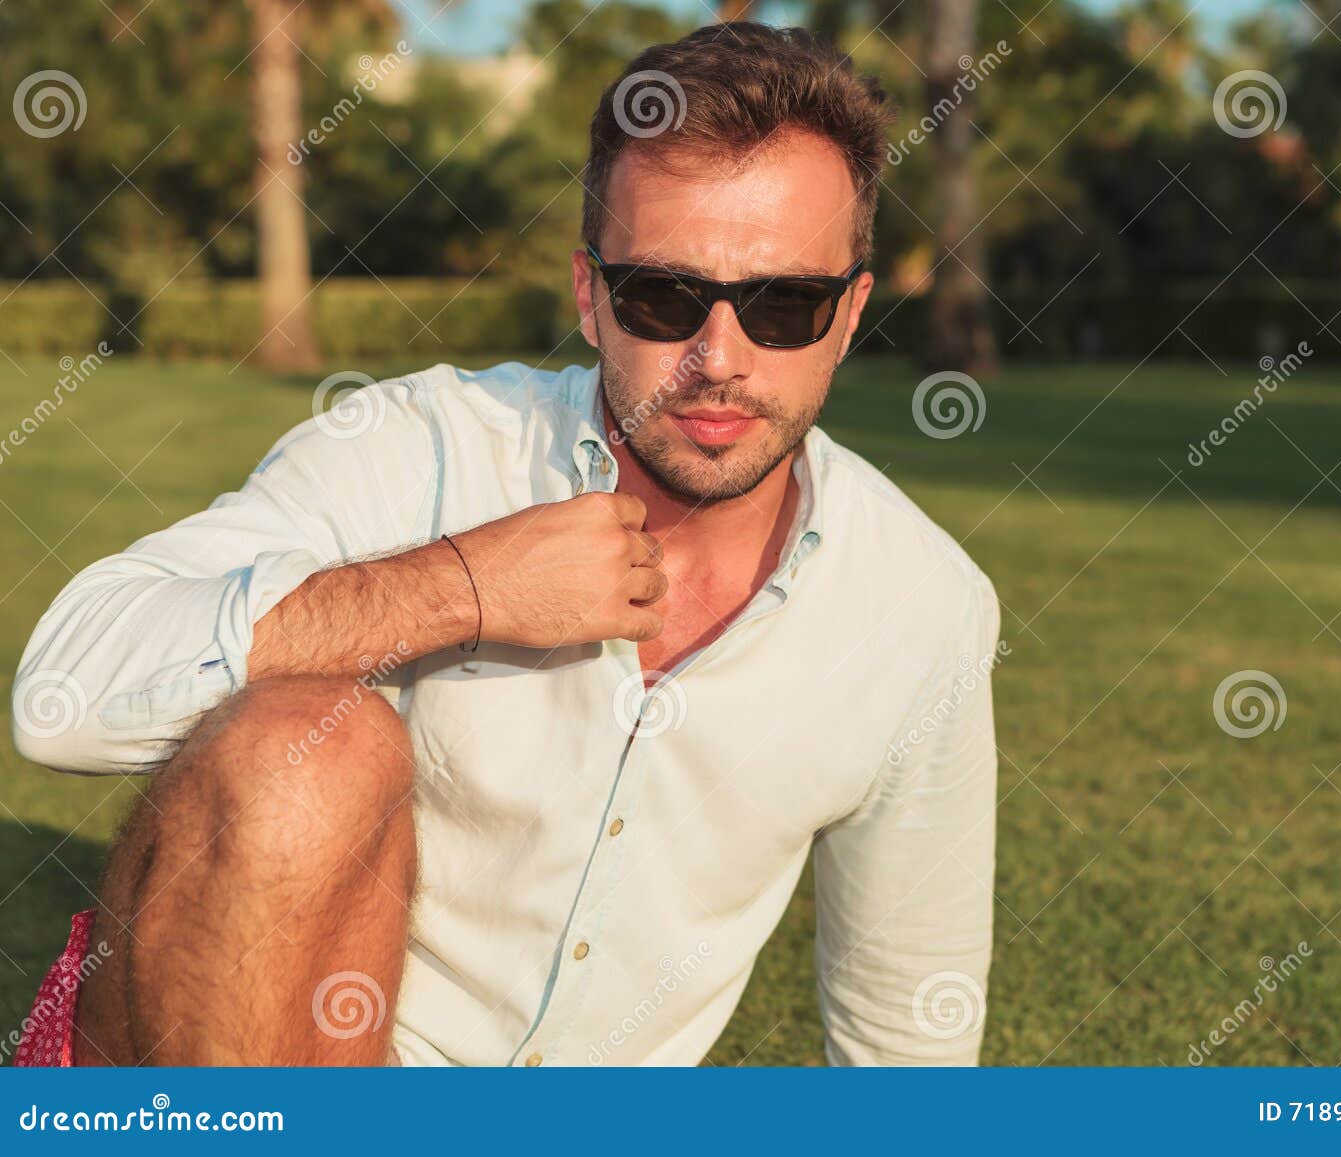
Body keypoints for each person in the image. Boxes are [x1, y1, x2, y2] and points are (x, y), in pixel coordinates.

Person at [11, 21, 999, 1067]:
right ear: (588, 296)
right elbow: (60, 696)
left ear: (849, 313)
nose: (719, 357)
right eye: (664, 296)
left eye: (783, 305)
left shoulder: (921, 602)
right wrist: (460, 586)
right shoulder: (424, 447)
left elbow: (903, 1020)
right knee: (305, 746)